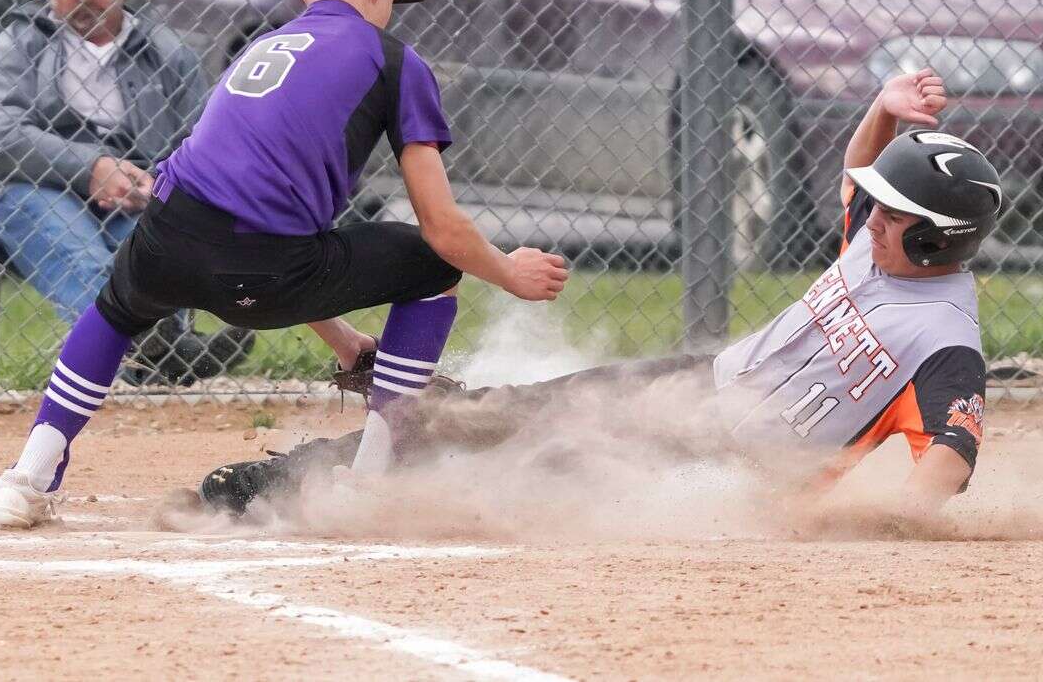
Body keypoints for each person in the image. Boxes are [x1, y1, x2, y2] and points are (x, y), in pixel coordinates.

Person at [199, 68, 1001, 530]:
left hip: (729, 461)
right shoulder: (884, 243)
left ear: (935, 240)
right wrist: (883, 107)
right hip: (700, 382)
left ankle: (322, 491)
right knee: (506, 410)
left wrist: (876, 521)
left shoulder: (941, 338)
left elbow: (951, 458)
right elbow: (860, 171)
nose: (871, 216)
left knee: (531, 461)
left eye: (893, 213)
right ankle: (296, 477)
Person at [0, 0, 569, 528]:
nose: (392, 7)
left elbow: (244, 206)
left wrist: (343, 342)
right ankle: (367, 481)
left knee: (118, 311)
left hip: (167, 235)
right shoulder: (394, 61)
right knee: (434, 264)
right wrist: (508, 273)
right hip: (267, 270)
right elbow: (442, 227)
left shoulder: (263, 49)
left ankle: (26, 479)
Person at [0, 0, 256, 383]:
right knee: (83, 256)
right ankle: (159, 350)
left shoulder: (167, 53)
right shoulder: (20, 44)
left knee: (153, 241)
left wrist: (151, 182)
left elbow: (200, 142)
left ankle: (151, 359)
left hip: (136, 189)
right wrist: (91, 167)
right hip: (33, 184)